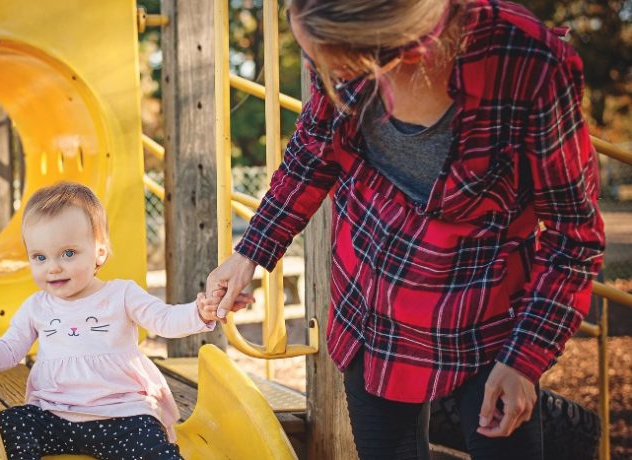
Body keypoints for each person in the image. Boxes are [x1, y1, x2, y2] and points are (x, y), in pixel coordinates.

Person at [207, 1, 605, 459]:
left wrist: (524, 359)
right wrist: (250, 252)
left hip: (485, 314)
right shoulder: (333, 45)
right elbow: (314, 147)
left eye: (334, 63)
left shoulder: (525, 63)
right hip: (371, 304)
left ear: (401, 50)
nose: (324, 74)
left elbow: (574, 239)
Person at [0, 182, 248, 460]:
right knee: (8, 426)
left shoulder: (121, 294)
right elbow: (11, 346)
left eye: (68, 253)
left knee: (153, 447)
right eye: (40, 257)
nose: (53, 268)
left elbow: (164, 320)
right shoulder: (36, 307)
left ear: (99, 253)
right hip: (54, 414)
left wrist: (200, 312)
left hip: (122, 416)